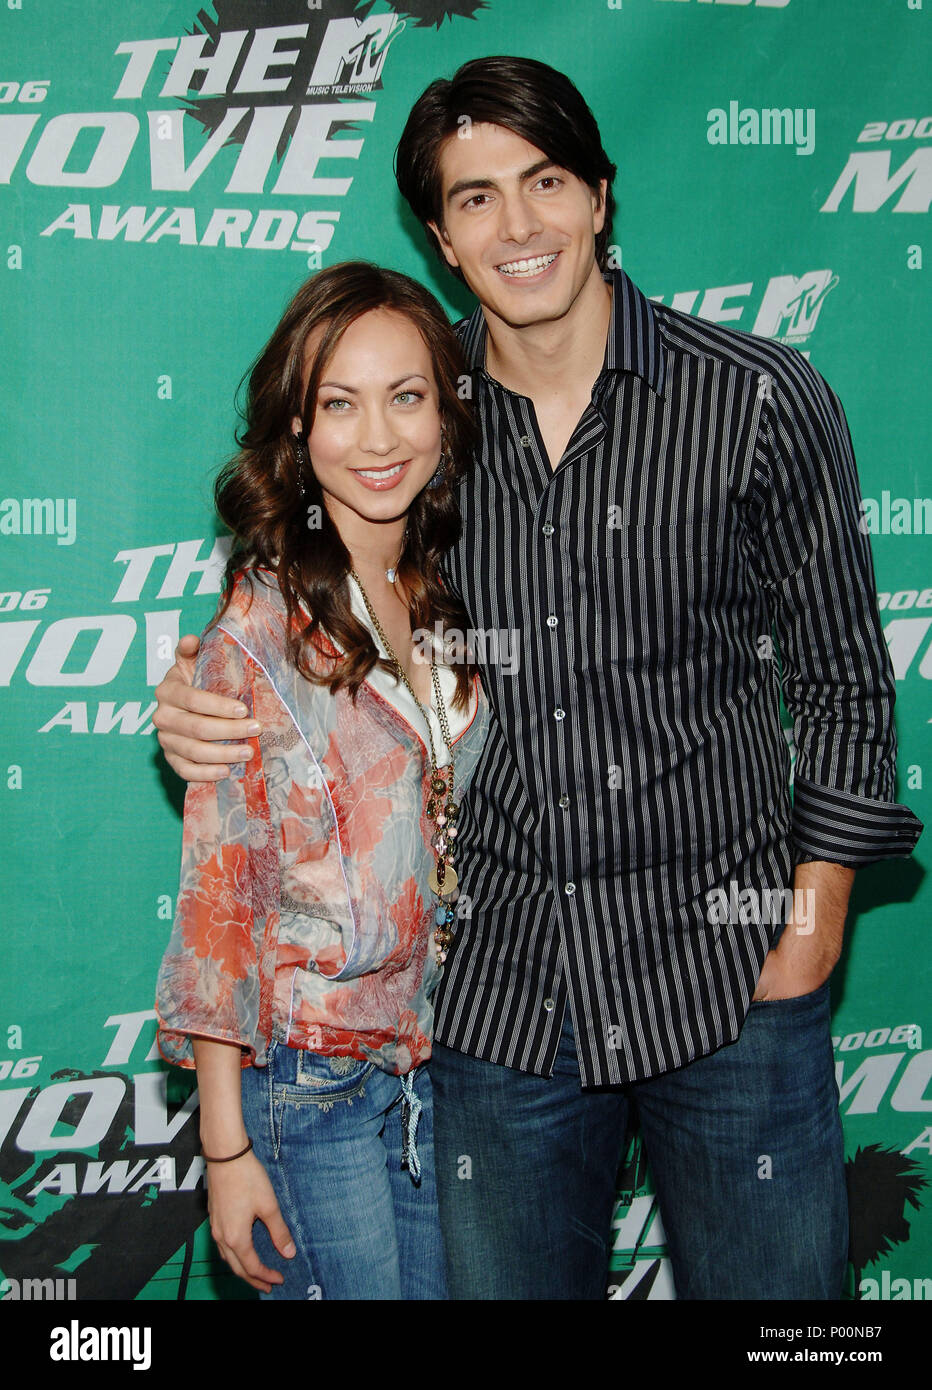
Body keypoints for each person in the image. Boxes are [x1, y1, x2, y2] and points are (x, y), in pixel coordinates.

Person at [154, 58, 922, 1300]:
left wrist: (813, 914)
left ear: (601, 195)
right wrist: (202, 697)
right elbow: (303, 600)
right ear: (440, 235)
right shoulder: (418, 416)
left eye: (544, 181)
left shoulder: (759, 401)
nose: (517, 227)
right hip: (502, 1011)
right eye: (473, 199)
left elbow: (840, 677)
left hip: (727, 991)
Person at [154, 260, 489, 1301]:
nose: (378, 438)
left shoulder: (459, 586)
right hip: (308, 1082)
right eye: (338, 404)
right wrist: (224, 1147)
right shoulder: (256, 628)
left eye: (405, 397)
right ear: (295, 428)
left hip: (450, 1063)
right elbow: (221, 906)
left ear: (444, 410)